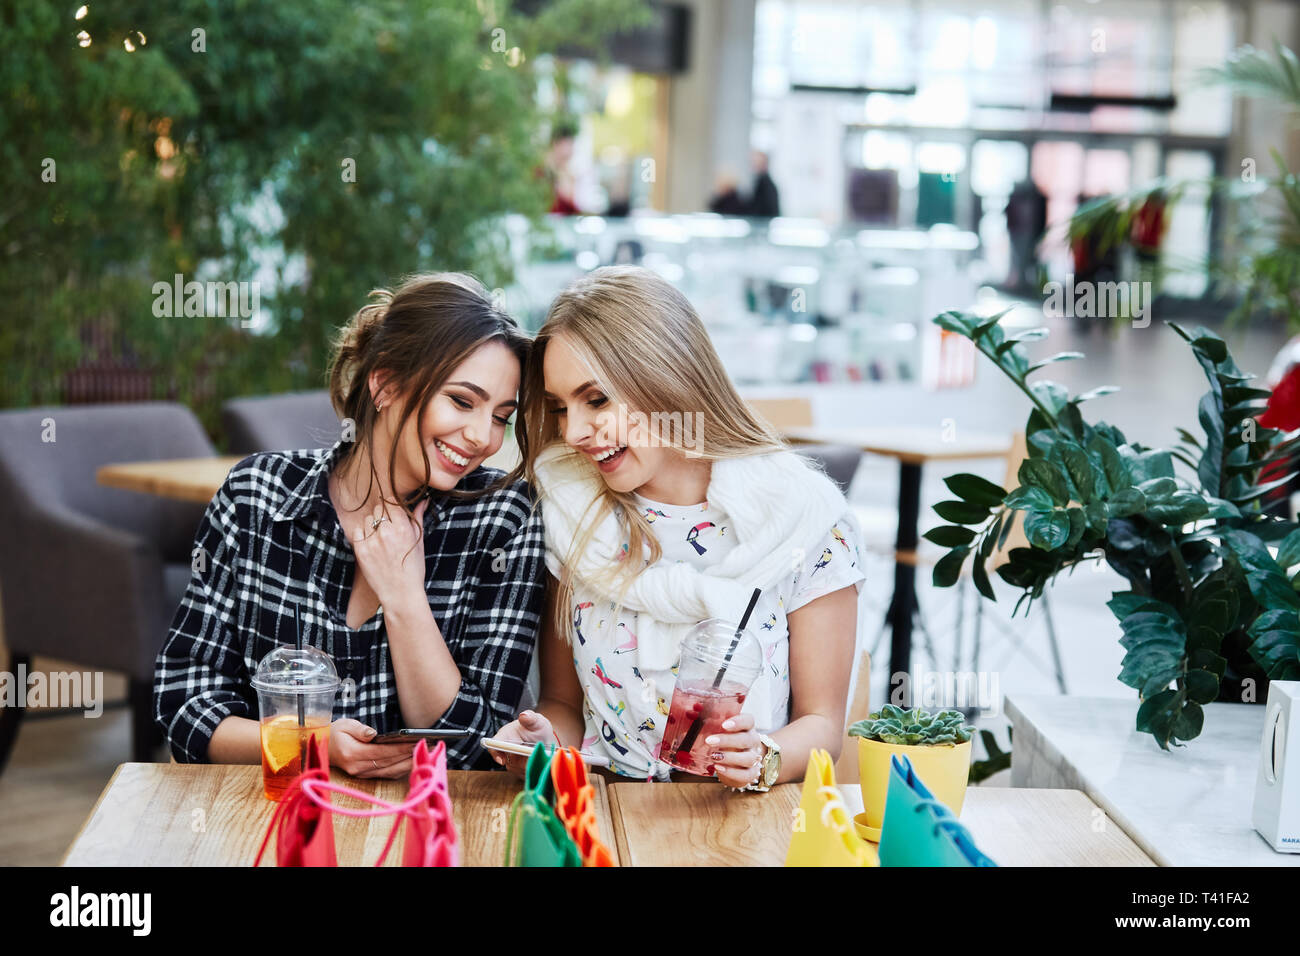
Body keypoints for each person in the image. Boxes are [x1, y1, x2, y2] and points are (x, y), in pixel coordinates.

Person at [154, 273, 546, 775]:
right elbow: (184, 702)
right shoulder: (258, 495)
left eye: (501, 417)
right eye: (462, 401)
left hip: (429, 834)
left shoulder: (504, 518)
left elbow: (481, 745)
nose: (482, 437)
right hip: (270, 821)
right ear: (385, 384)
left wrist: (405, 597)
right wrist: (309, 745)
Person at [489, 265, 865, 788]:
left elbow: (823, 725)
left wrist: (763, 755)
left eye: (596, 399)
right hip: (607, 818)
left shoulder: (803, 522)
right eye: (559, 407)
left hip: (745, 829)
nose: (573, 432)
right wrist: (543, 742)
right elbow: (563, 704)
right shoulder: (569, 513)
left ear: (664, 374)